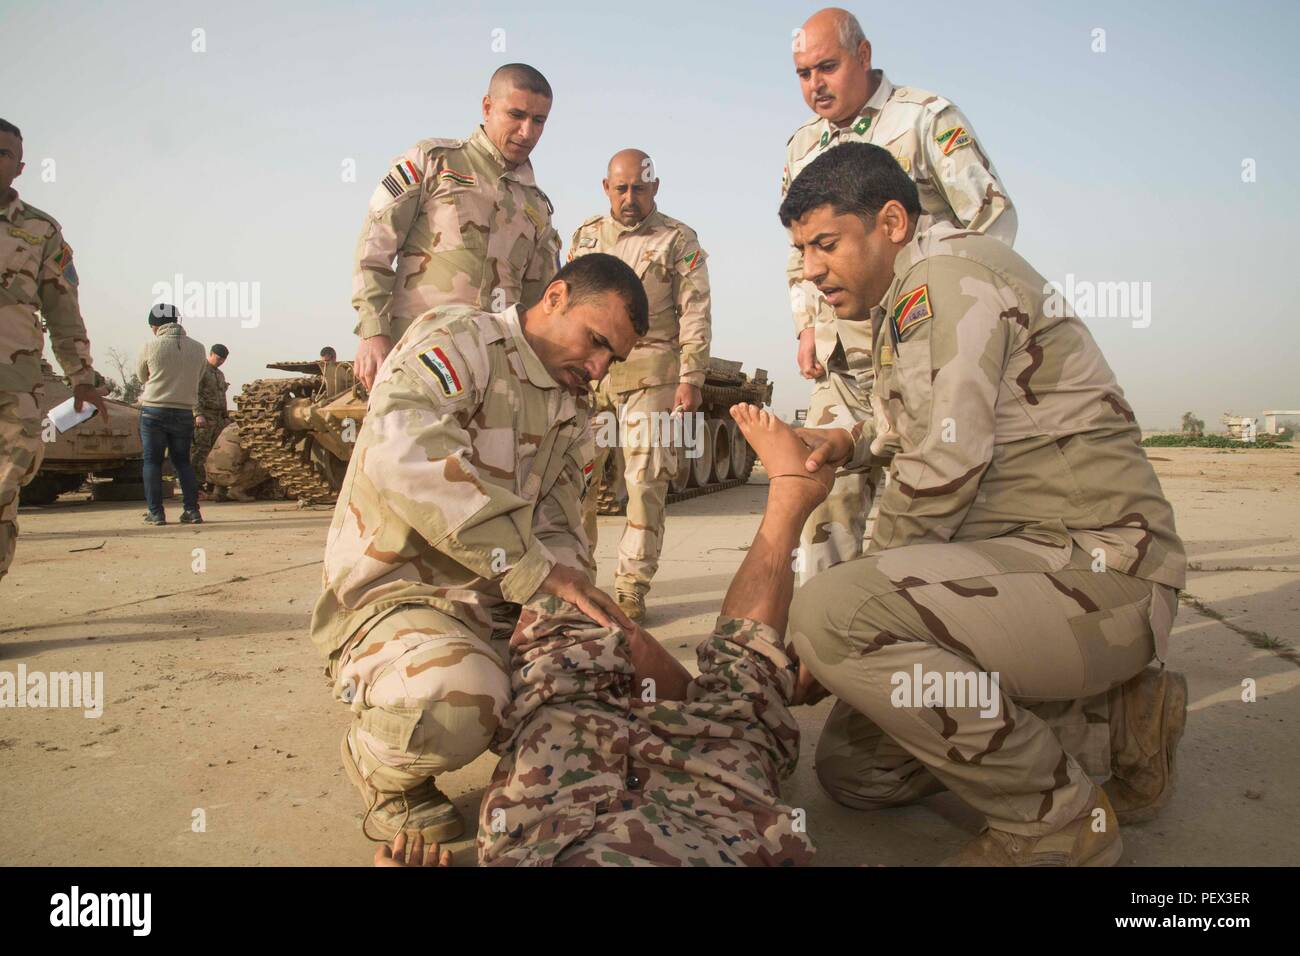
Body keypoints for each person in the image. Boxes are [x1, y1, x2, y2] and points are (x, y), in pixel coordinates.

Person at [781, 143, 1186, 865]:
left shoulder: (944, 280)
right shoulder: (914, 292)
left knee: (835, 616)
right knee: (856, 772)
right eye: (801, 250)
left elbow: (940, 465)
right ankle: (1112, 721)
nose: (810, 268)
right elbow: (918, 422)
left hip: (1099, 571)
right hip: (1024, 570)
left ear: (893, 221)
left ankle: (1057, 824)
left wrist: (848, 607)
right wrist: (852, 442)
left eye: (825, 244)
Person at [376, 405, 826, 867]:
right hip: (715, 803)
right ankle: (791, 497)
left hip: (565, 762)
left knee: (563, 624)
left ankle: (536, 454)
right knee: (746, 694)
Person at [312, 253, 648, 844]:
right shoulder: (462, 342)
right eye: (595, 341)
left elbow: (562, 529)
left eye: (612, 358)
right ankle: (383, 771)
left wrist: (573, 614)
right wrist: (530, 569)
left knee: (605, 676)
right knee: (457, 700)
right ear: (556, 296)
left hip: (501, 605)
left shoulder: (574, 409)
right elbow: (406, 454)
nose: (598, 368)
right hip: (401, 598)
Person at [784, 8, 1016, 584]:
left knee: (921, 511)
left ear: (863, 57)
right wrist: (806, 323)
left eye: (827, 67)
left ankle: (909, 638)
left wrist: (942, 305)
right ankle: (823, 638)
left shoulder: (923, 119)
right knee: (822, 502)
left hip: (919, 352)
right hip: (844, 364)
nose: (815, 85)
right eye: (803, 73)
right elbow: (800, 250)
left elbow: (991, 221)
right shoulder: (801, 147)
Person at [351, 63, 561, 391]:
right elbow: (374, 248)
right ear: (488, 107)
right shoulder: (432, 161)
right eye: (516, 115)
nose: (527, 132)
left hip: (495, 374)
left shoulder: (538, 207)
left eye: (539, 120)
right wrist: (373, 331)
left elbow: (540, 304)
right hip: (420, 357)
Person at [570, 148, 712, 622]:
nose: (630, 197)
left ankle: (631, 586)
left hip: (653, 370)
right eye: (621, 187)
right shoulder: (586, 236)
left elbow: (695, 310)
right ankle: (577, 582)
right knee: (576, 482)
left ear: (655, 187)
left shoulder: (677, 239)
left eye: (639, 188)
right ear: (606, 187)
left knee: (645, 481)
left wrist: (691, 378)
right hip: (591, 374)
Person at [0, 118, 107, 582]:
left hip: (13, 384)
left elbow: (63, 309)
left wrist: (81, 375)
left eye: (4, 153)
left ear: (19, 167)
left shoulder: (41, 230)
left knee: (4, 489)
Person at [135, 303, 207, 525]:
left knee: (152, 463)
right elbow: (200, 375)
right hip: (184, 412)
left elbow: (141, 376)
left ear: (155, 326)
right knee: (183, 463)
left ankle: (156, 513)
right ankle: (192, 511)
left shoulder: (150, 345)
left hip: (154, 411)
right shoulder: (199, 348)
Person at [191, 343, 229, 488]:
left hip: (217, 417)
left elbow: (222, 395)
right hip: (204, 416)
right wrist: (198, 414)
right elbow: (195, 393)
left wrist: (225, 417)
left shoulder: (219, 374)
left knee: (215, 451)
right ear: (211, 354)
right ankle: (196, 485)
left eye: (223, 360)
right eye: (219, 358)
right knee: (200, 450)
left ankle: (212, 483)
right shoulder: (201, 370)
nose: (220, 362)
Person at [204, 422, 272, 502]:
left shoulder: (230, 426)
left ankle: (218, 492)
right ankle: (237, 490)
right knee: (269, 463)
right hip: (229, 475)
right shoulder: (256, 429)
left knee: (224, 457)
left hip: (211, 474)